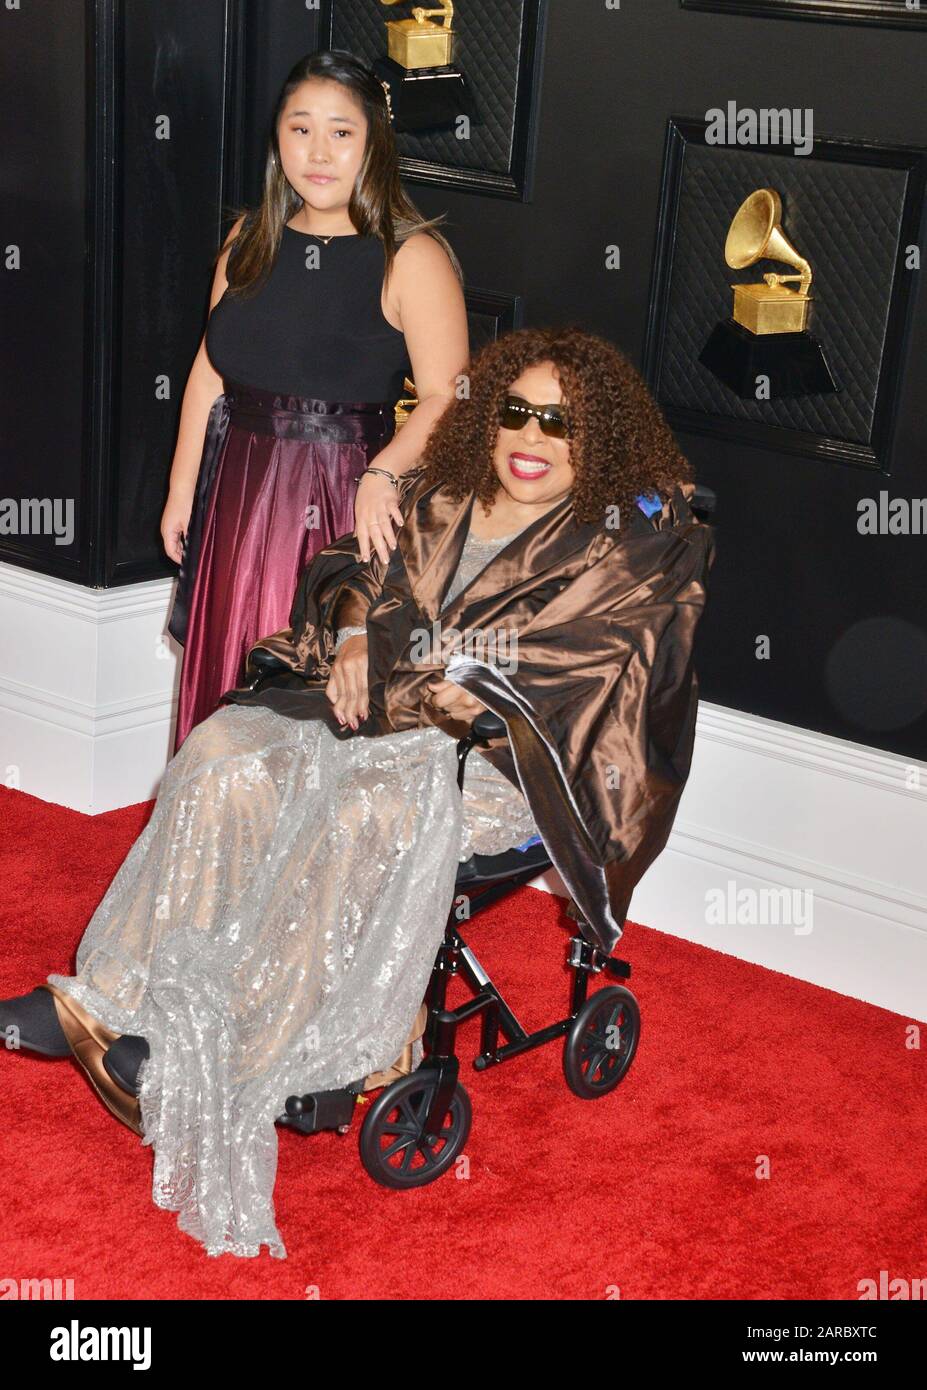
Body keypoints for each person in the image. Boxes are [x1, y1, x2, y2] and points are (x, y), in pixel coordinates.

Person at [0, 327, 713, 1260]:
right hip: (371, 704)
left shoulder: (624, 549)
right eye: (517, 410)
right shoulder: (443, 492)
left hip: (508, 763)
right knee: (222, 756)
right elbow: (347, 569)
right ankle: (115, 993)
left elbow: (536, 678)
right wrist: (345, 640)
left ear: (600, 441)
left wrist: (386, 685)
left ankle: (262, 1052)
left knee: (359, 806)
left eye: (561, 423)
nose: (531, 436)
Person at [164, 49, 468, 751]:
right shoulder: (248, 239)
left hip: (339, 500)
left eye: (341, 132)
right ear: (278, 139)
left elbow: (451, 395)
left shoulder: (408, 256)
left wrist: (384, 472)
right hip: (235, 486)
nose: (318, 152)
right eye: (301, 129)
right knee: (227, 670)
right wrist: (183, 489)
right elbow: (209, 373)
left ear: (373, 144)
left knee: (305, 694)